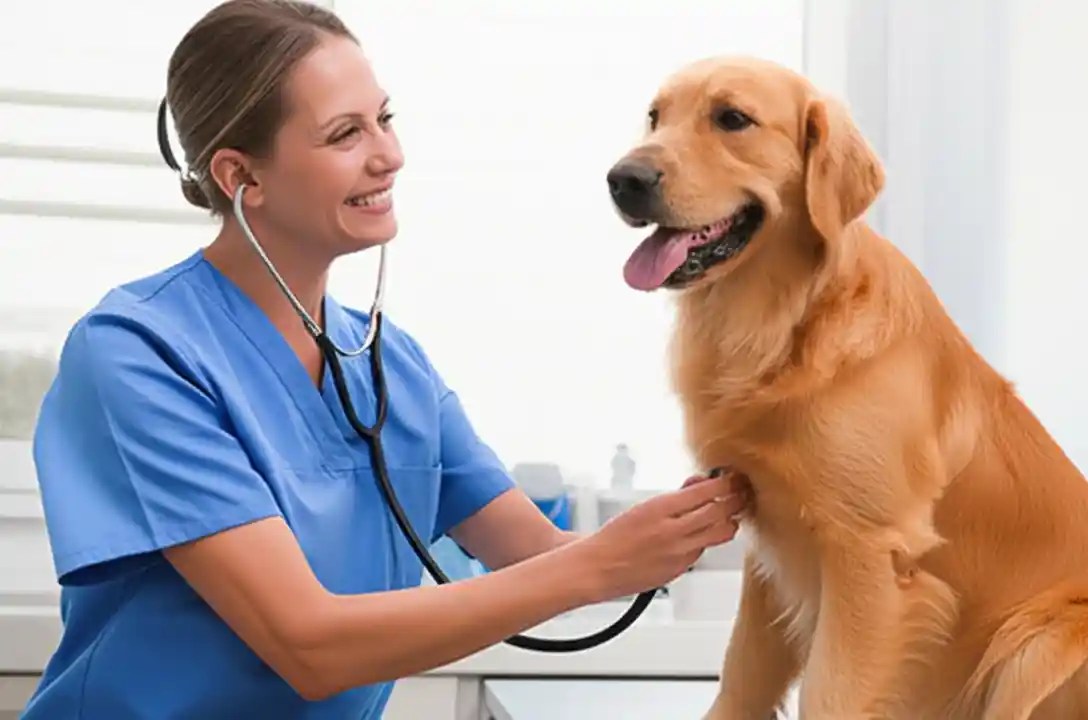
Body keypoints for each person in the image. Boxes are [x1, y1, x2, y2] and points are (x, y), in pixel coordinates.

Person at [19, 1, 750, 717]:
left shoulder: (389, 365)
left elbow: (534, 551)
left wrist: (695, 517)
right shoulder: (137, 354)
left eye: (384, 120)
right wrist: (597, 566)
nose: (389, 155)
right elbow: (308, 646)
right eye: (345, 134)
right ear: (243, 178)